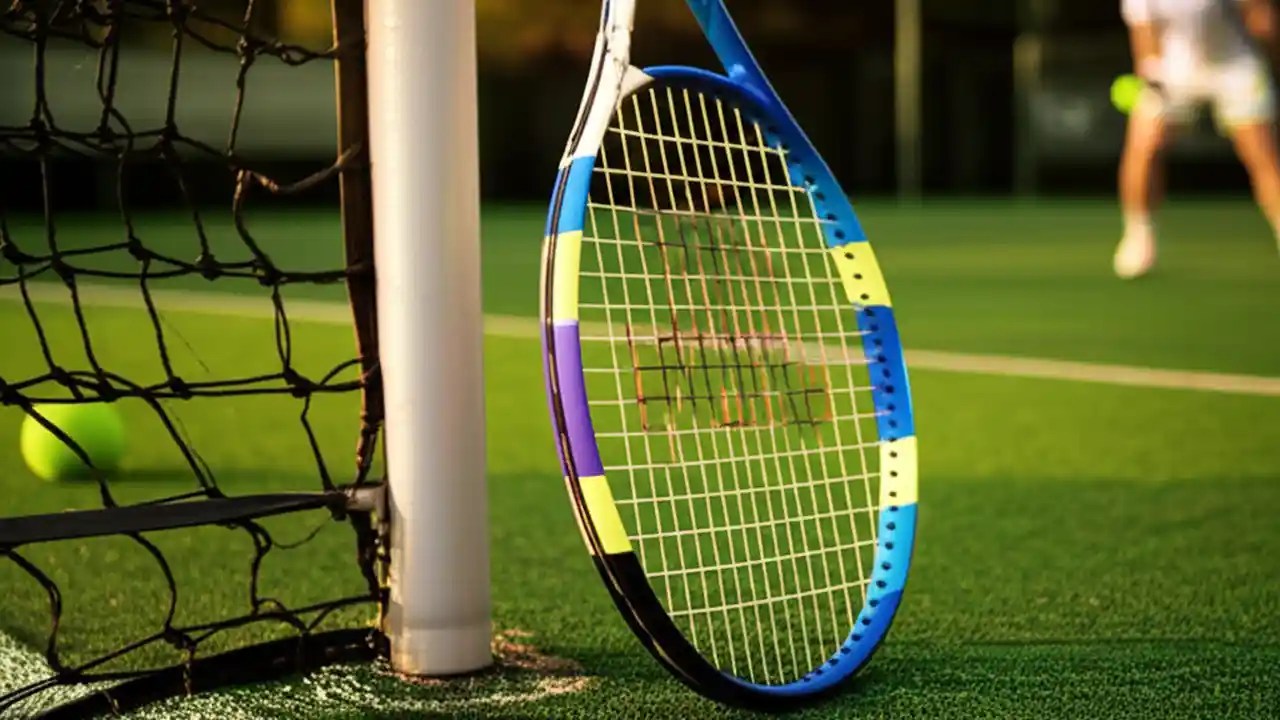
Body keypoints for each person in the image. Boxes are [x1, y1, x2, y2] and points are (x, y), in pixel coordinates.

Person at [1115, 0, 1280, 278]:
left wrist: (1266, 40)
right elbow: (1145, 39)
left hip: (1234, 66)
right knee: (1144, 144)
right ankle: (1138, 237)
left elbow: (1261, 17)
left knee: (1261, 153)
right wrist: (1154, 81)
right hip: (1174, 70)